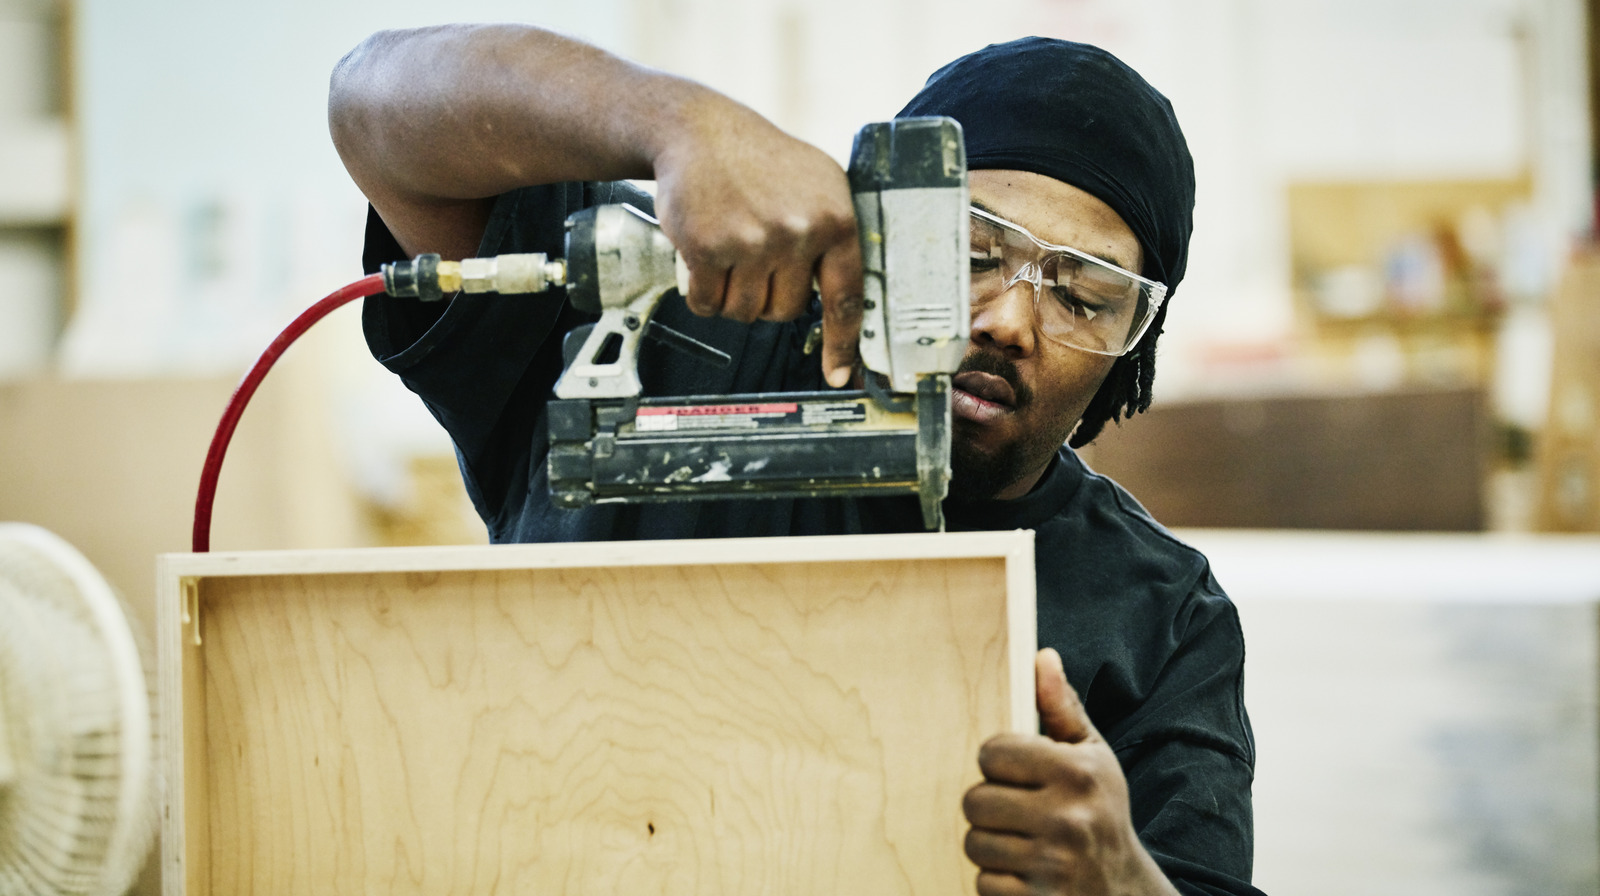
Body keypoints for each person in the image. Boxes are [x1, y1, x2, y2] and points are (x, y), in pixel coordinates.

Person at [330, 24, 1260, 896]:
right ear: (873, 236)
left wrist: (1125, 879)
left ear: (1131, 349)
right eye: (968, 250)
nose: (1008, 321)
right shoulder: (659, 333)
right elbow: (371, 105)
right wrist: (674, 122)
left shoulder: (1164, 617)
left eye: (1085, 295)